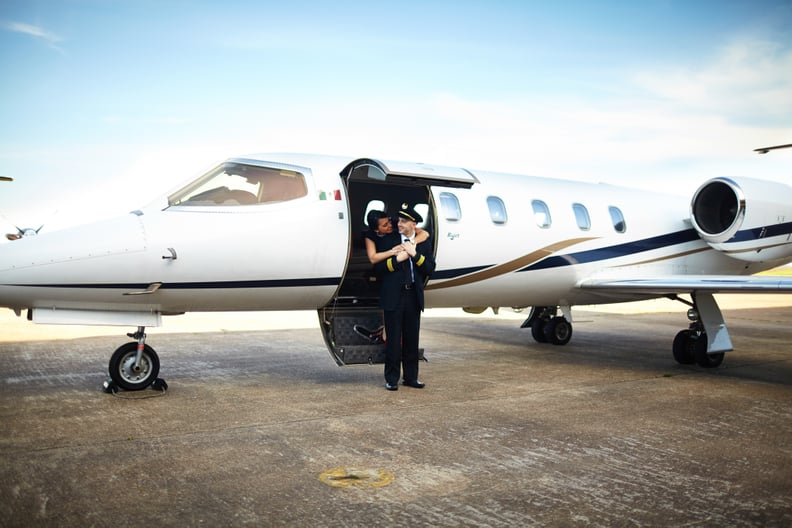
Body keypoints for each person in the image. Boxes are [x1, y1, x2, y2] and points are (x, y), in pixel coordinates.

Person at [373, 203, 436, 391]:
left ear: (413, 224)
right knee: (393, 339)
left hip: (413, 296)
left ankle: (411, 378)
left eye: (403, 221)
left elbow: (429, 269)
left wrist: (414, 254)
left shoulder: (422, 243)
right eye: (399, 220)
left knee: (411, 339)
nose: (398, 224)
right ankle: (392, 379)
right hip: (394, 296)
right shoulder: (388, 240)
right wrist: (396, 260)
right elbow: (379, 268)